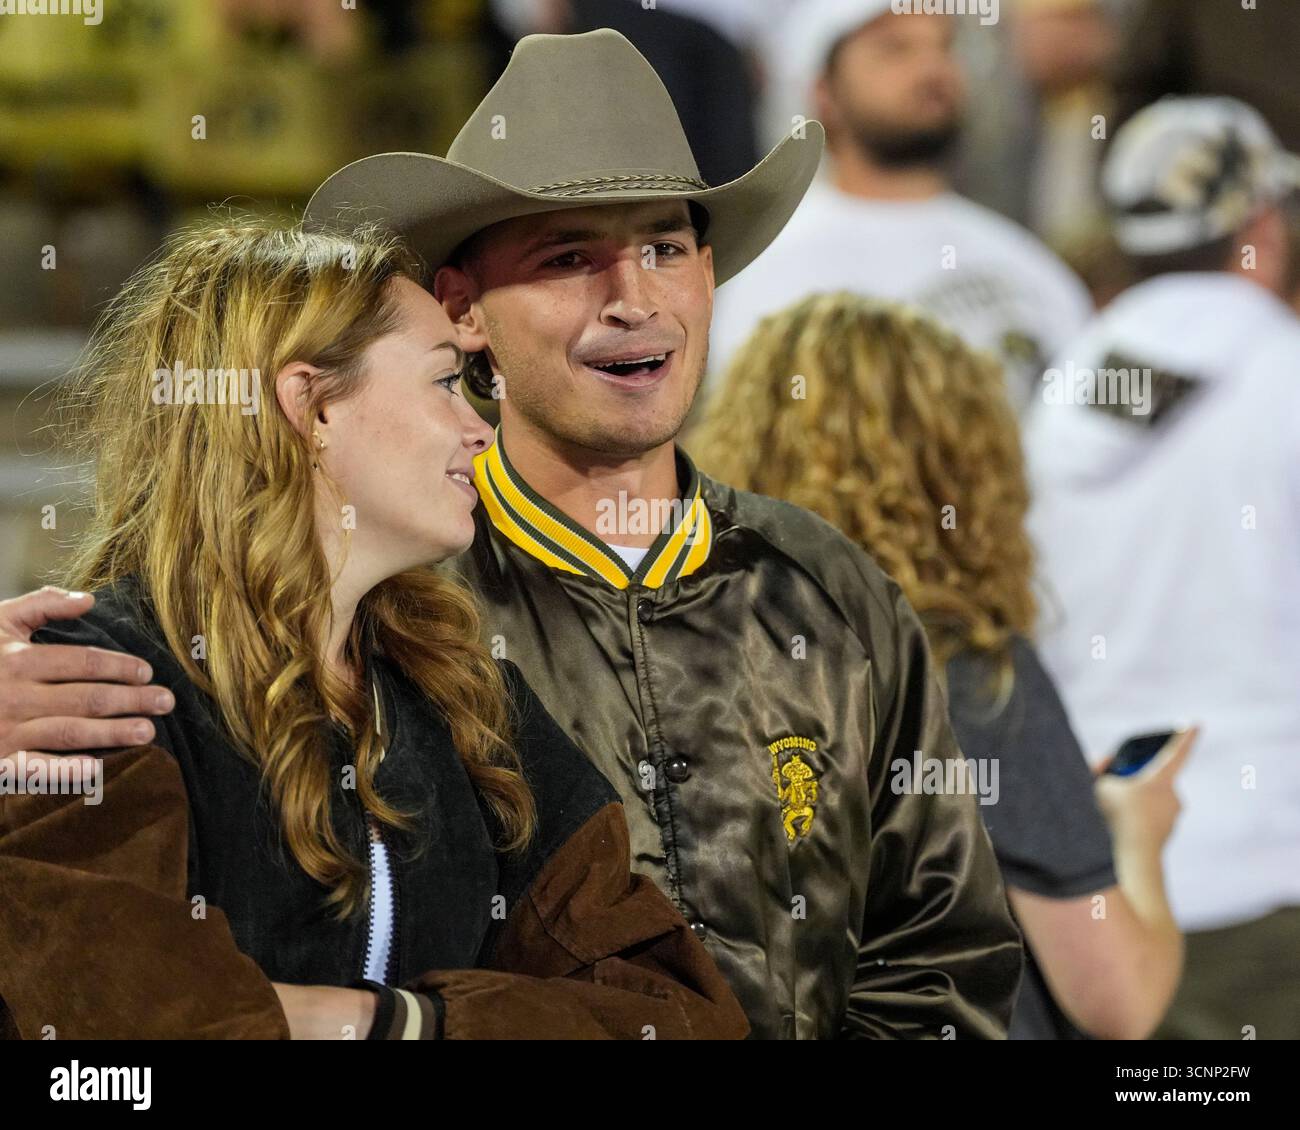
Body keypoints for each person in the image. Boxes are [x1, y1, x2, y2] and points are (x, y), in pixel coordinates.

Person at [0, 29, 1023, 1039]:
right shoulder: (102, 687)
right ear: (462, 314)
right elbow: (123, 1038)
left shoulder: (468, 669)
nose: (634, 300)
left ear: (709, 275)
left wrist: (390, 1022)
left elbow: (891, 967)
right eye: (569, 256)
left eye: (665, 248)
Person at [0, 217, 749, 1041]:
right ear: (312, 406)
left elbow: (675, 1015)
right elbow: (128, 1031)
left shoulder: (467, 698)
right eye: (444, 381)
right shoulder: (80, 683)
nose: (481, 429)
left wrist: (395, 1023)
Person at [689, 292, 1187, 1039]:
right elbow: (1120, 1000)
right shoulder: (970, 678)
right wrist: (1139, 837)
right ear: (964, 467)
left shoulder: (690, 648)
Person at [1022, 96, 1300, 1039]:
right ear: (1261, 225)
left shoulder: (1058, 393)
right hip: (1268, 879)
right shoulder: (1286, 375)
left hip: (1095, 896)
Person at [712, 0, 1092, 410]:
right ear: (823, 92)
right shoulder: (771, 267)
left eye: (944, 46)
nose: (932, 69)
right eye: (895, 49)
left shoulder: (1025, 261)